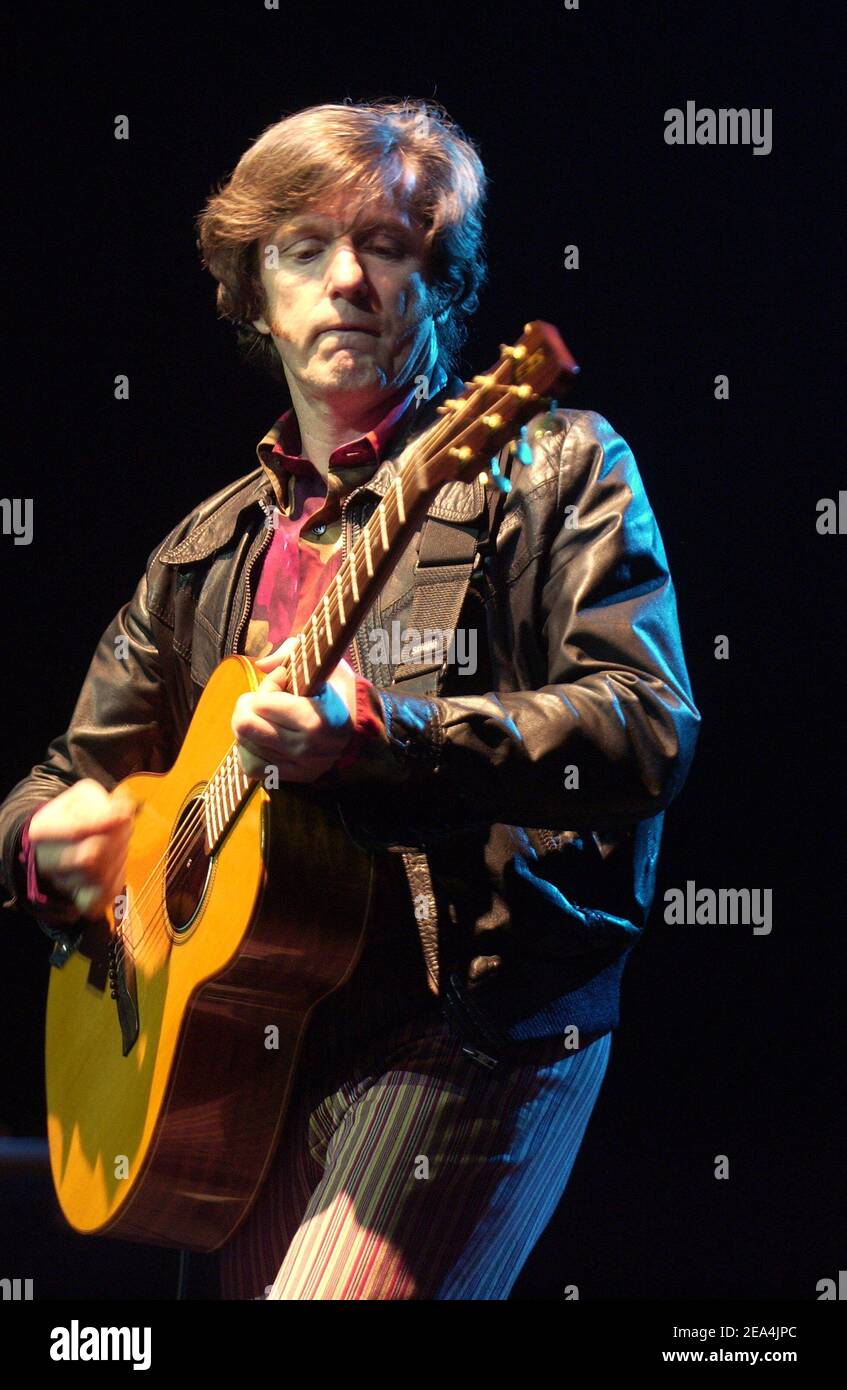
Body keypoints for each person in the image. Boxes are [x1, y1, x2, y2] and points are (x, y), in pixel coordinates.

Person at [0, 100, 700, 1300]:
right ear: (250, 288)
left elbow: (642, 726)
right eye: (305, 249)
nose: (348, 281)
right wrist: (40, 841)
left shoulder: (553, 463)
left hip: (472, 1019)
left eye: (387, 246)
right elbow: (67, 775)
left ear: (440, 280)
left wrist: (384, 732)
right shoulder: (201, 555)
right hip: (244, 1041)